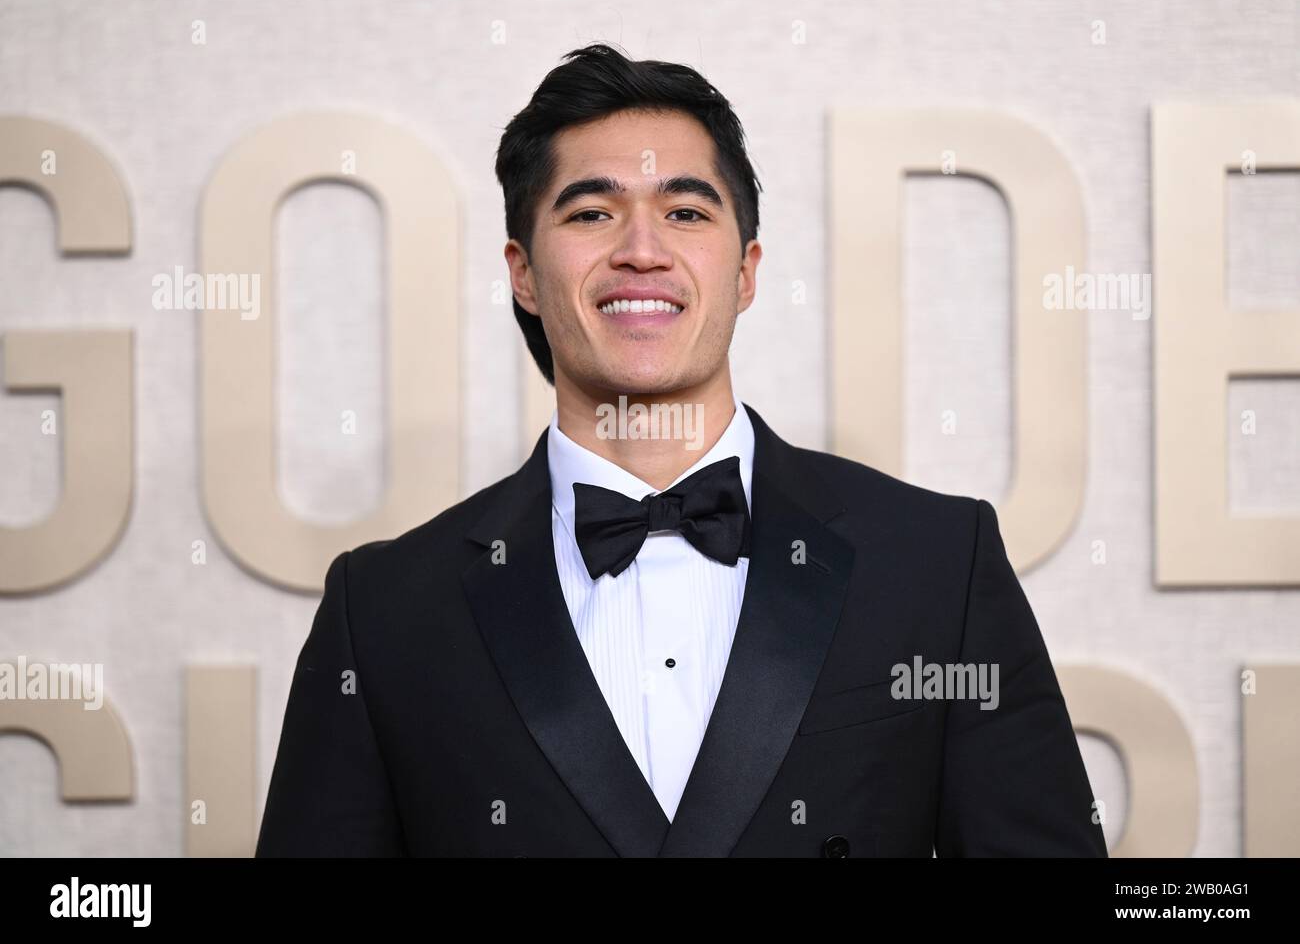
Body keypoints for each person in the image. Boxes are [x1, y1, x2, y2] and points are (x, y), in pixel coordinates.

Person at [256, 43, 1106, 858]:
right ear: (521, 272)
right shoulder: (384, 613)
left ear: (745, 271)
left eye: (686, 212)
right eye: (591, 212)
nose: (641, 250)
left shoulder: (935, 564)